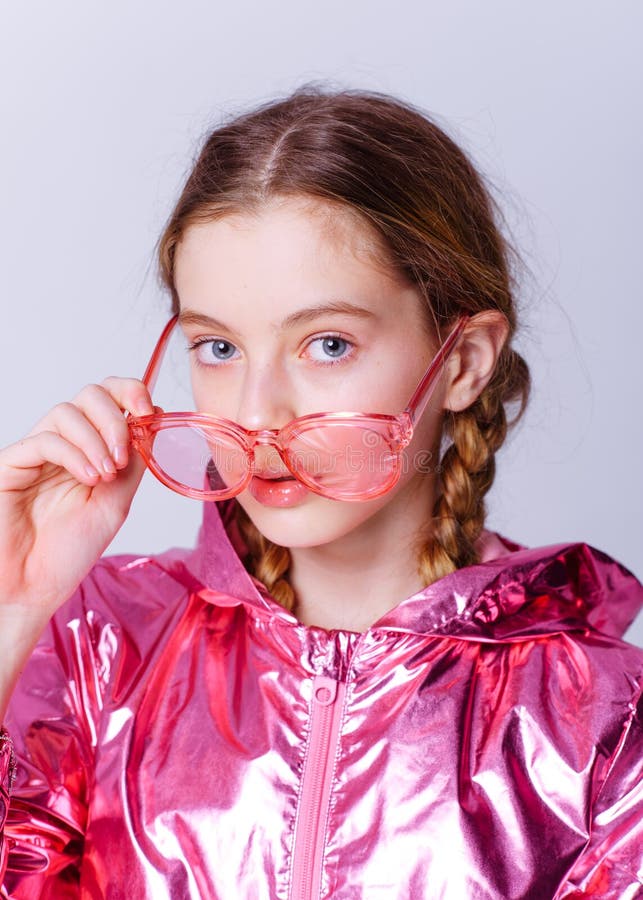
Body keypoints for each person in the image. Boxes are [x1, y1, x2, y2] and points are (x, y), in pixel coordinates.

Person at [0, 86, 641, 900]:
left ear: (465, 361)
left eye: (327, 344)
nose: (258, 411)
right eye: (219, 346)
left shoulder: (602, 722)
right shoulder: (95, 650)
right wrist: (12, 612)